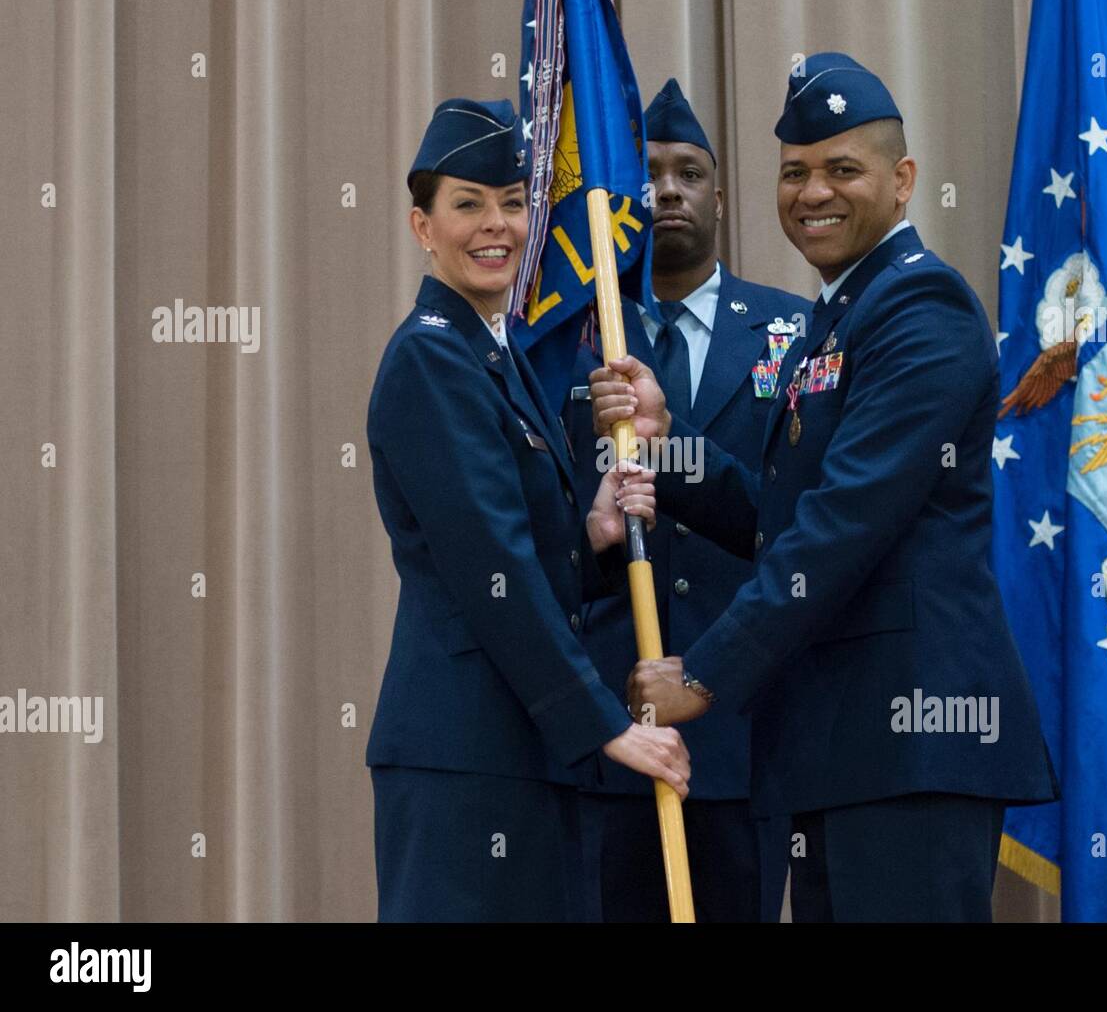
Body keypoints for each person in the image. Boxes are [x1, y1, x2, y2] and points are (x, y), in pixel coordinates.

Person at [590, 54, 1058, 922]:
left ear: (902, 180)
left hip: (913, 742)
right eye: (794, 172)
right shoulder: (837, 320)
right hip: (839, 749)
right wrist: (665, 444)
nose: (813, 193)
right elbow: (781, 519)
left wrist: (706, 675)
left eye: (842, 169)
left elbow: (843, 523)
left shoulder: (923, 310)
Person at [365, 97, 690, 923]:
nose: (495, 225)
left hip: (522, 749)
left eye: (512, 203)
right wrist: (607, 725)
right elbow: (493, 567)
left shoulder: (491, 353)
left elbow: (526, 548)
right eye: (467, 204)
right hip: (466, 757)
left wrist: (595, 534)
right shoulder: (431, 359)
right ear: (421, 226)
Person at [563, 79, 810, 923]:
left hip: (743, 730)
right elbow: (550, 525)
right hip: (612, 730)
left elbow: (796, 521)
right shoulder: (576, 339)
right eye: (649, 175)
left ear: (720, 198)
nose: (667, 190)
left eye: (689, 174)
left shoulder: (795, 335)